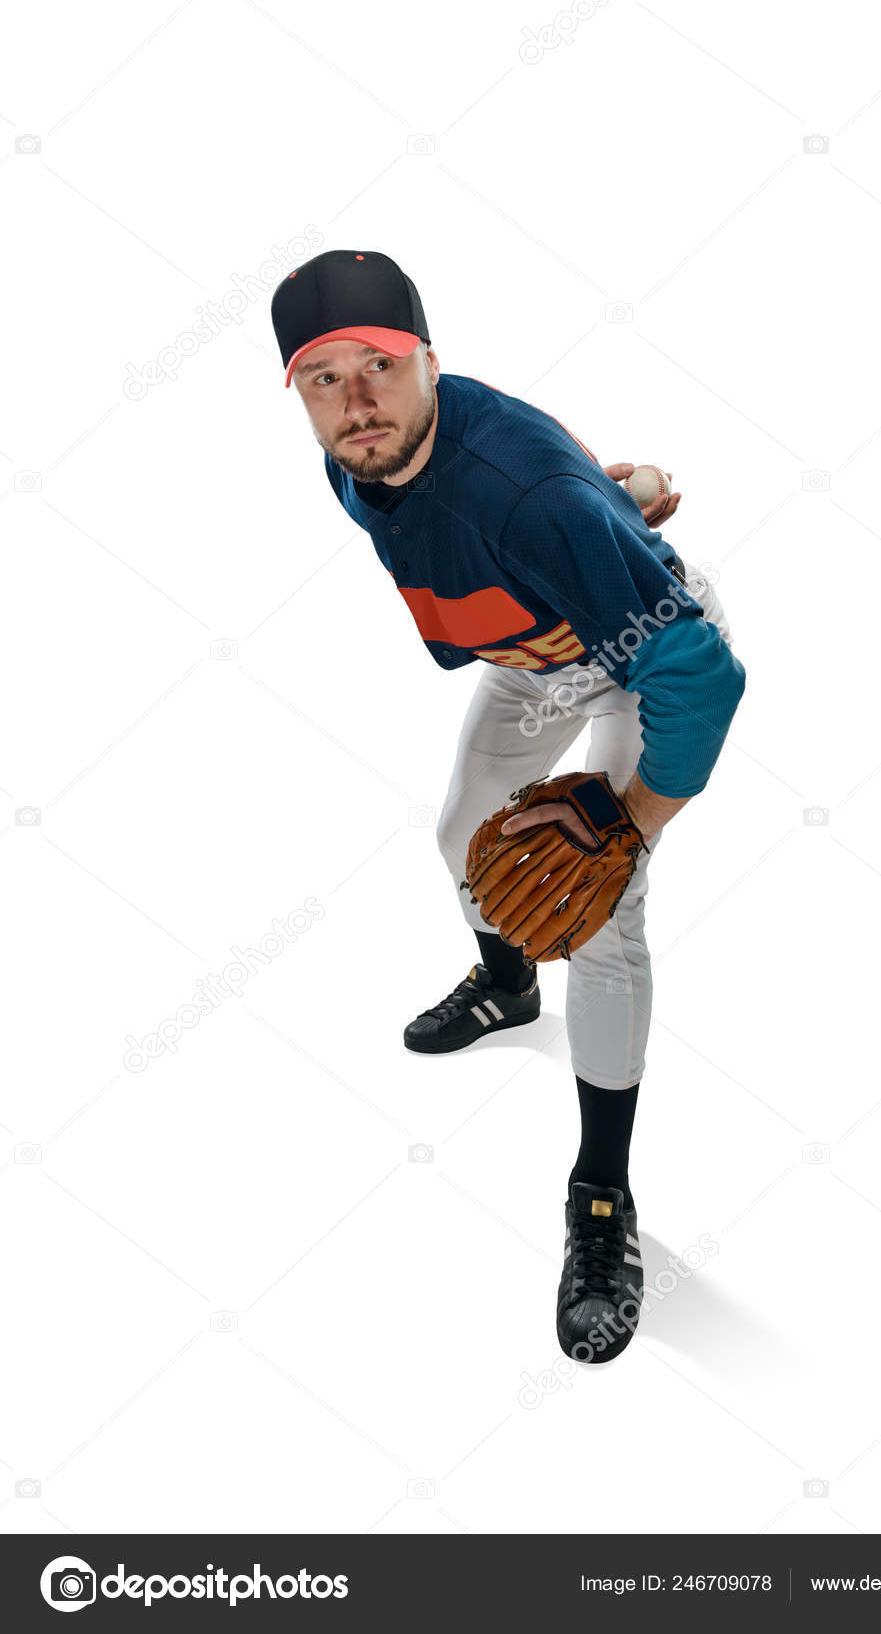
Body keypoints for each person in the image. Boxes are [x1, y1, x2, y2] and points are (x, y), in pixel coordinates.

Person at [270, 250, 746, 1364]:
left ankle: (599, 1202)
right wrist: (623, 490)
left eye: (378, 366)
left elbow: (703, 679)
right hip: (536, 657)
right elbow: (545, 477)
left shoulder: (525, 496)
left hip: (639, 655)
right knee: (459, 839)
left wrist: (627, 817)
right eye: (321, 378)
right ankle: (504, 983)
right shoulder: (359, 459)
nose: (355, 400)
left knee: (604, 920)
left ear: (431, 361)